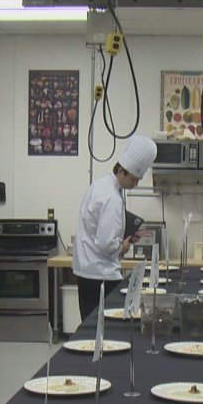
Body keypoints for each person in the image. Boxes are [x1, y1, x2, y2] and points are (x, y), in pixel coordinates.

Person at [73, 135, 157, 322]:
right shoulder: (112, 198)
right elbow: (105, 244)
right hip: (101, 275)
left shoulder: (99, 186)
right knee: (106, 328)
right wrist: (123, 247)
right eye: (134, 180)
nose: (135, 185)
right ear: (122, 171)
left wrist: (124, 238)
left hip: (88, 271)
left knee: (90, 326)